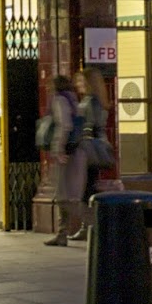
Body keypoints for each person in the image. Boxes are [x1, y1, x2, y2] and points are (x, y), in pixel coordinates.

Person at [44, 74, 87, 247]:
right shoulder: (74, 100)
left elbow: (64, 125)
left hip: (67, 153)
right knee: (68, 195)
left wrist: (59, 149)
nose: (47, 88)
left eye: (50, 85)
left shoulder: (60, 100)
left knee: (66, 196)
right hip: (76, 151)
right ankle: (64, 232)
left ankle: (91, 225)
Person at [76, 66, 112, 241]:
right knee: (89, 186)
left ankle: (89, 227)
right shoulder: (99, 100)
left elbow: (89, 125)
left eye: (81, 81)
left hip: (88, 148)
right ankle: (90, 226)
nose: (78, 84)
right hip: (95, 148)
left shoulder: (90, 101)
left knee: (85, 188)